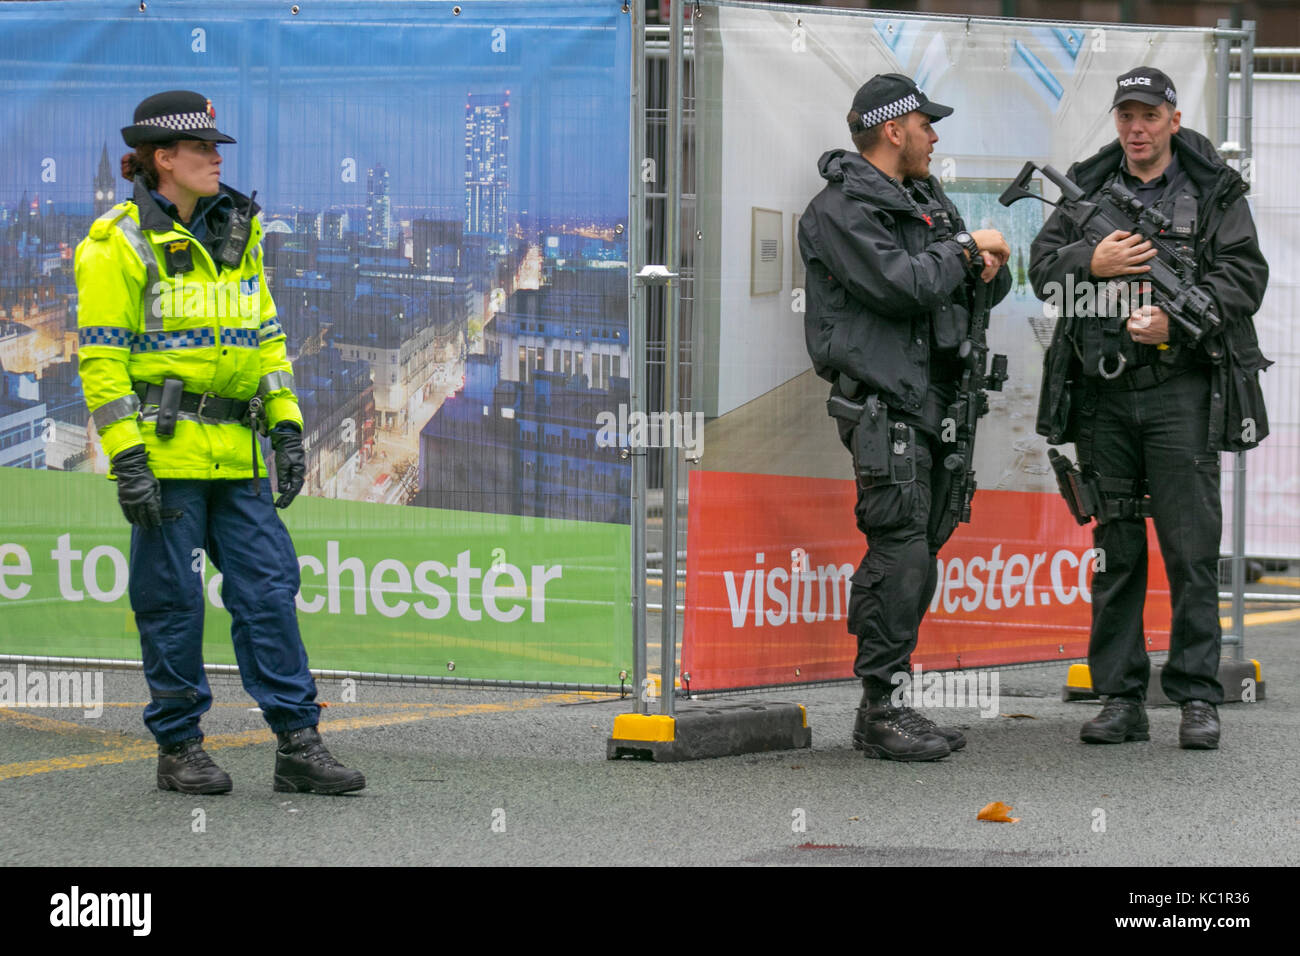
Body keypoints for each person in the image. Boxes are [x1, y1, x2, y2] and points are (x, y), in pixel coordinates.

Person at [75, 90, 366, 794]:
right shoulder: (116, 243)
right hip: (166, 456)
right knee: (171, 600)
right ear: (162, 161)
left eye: (216, 147)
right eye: (203, 148)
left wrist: (288, 425)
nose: (216, 157)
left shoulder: (240, 233)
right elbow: (103, 362)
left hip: (238, 456)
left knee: (269, 592)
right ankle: (178, 748)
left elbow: (264, 339)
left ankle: (298, 745)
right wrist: (127, 455)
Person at [1029, 67, 1269, 750]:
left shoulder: (1211, 190)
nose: (1136, 129)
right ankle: (1120, 697)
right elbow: (1042, 269)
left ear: (1172, 117)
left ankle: (1196, 696)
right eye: (1126, 116)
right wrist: (1091, 262)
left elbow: (1244, 276)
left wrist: (1179, 324)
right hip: (1103, 395)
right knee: (1117, 551)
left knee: (1191, 552)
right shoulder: (1091, 188)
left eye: (1148, 116)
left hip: (1180, 393)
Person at [799, 74, 1011, 761]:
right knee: (901, 548)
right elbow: (900, 286)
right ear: (894, 129)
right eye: (926, 124)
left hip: (934, 403)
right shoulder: (836, 211)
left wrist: (988, 266)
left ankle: (890, 699)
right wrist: (963, 252)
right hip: (885, 405)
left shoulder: (923, 198)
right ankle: (879, 707)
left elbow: (971, 284)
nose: (934, 135)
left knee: (922, 547)